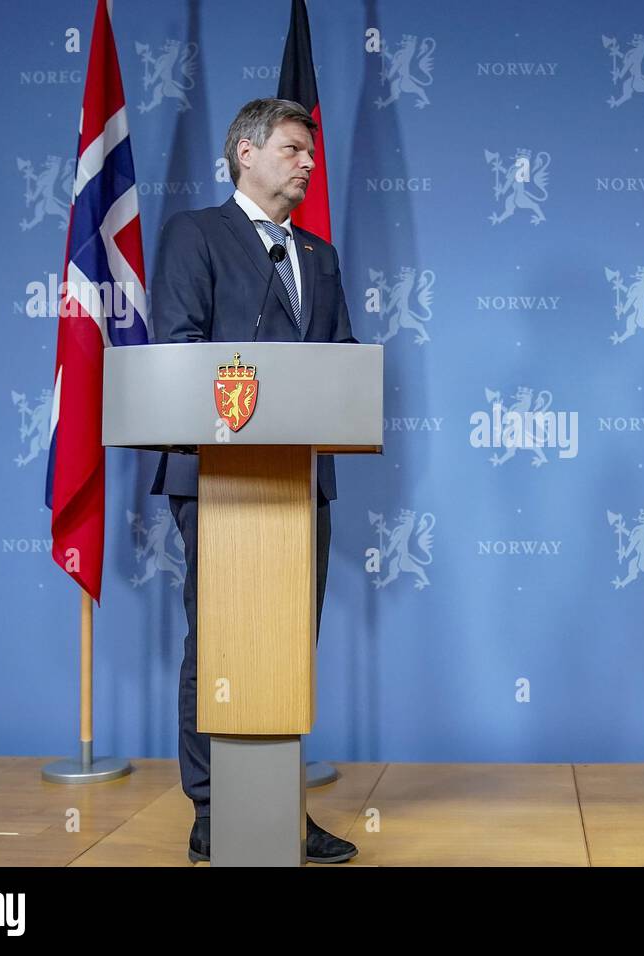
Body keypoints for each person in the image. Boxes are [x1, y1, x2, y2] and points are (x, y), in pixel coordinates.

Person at [149, 97, 358, 864]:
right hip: (220, 475)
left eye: (310, 154)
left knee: (284, 648)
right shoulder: (196, 234)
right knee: (220, 644)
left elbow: (340, 365)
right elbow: (178, 350)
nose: (307, 164)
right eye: (294, 149)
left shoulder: (321, 254)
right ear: (246, 152)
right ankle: (213, 810)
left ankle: (277, 811)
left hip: (303, 480)